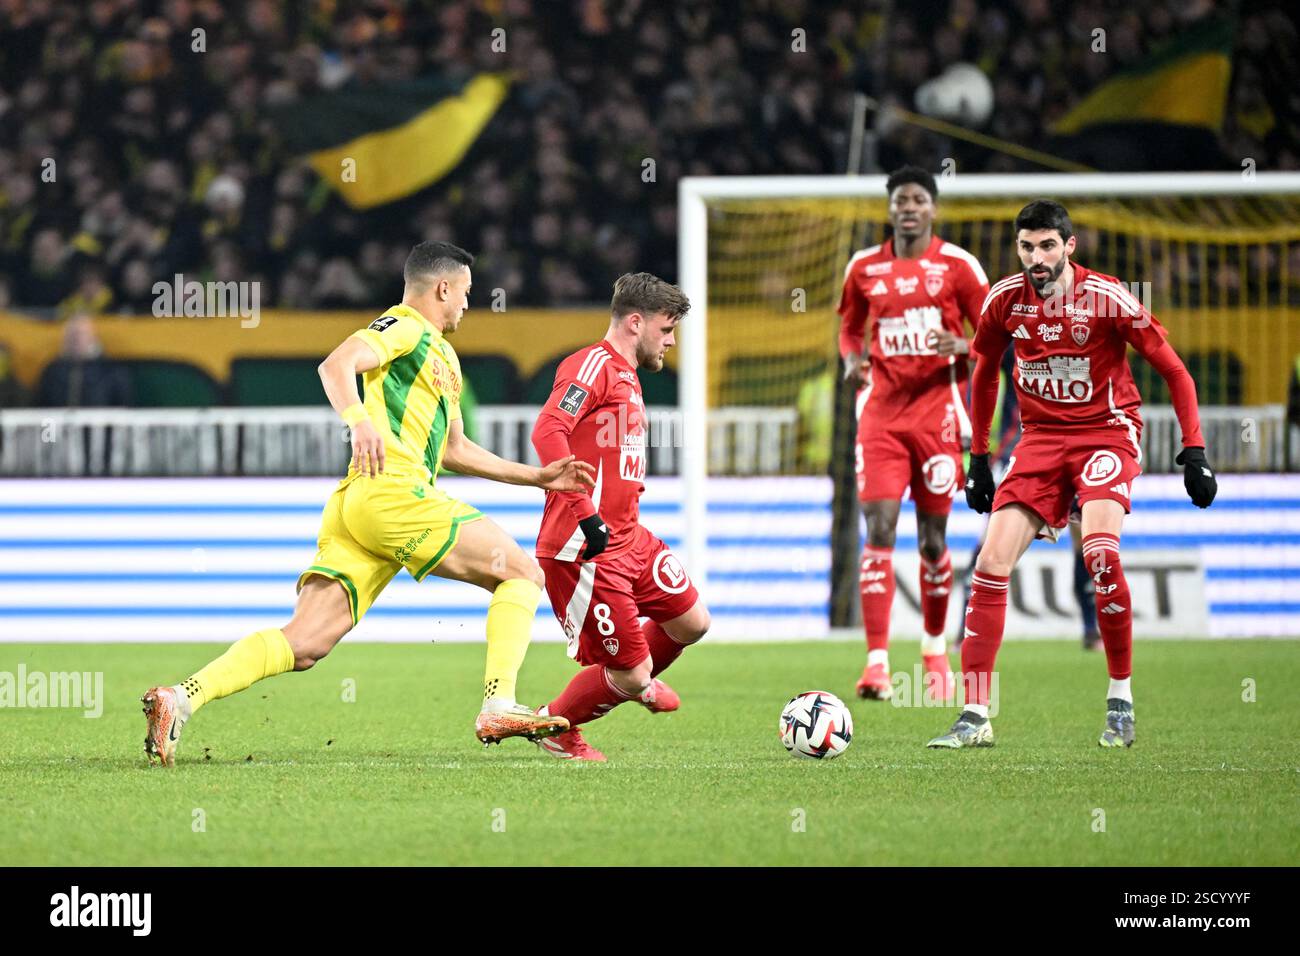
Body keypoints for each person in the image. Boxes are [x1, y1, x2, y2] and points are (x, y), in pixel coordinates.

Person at [140, 241, 595, 765]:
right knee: (520, 572)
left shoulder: (443, 355)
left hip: (361, 506)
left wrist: (537, 477)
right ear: (443, 288)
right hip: (392, 493)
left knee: (305, 643)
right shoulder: (404, 325)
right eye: (466, 292)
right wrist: (358, 422)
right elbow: (335, 366)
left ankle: (180, 699)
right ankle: (499, 703)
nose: (469, 303)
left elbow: (455, 450)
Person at [928, 200, 1217, 750]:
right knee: (989, 564)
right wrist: (979, 457)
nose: (1036, 258)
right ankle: (974, 715)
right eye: (1026, 247)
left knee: (1100, 554)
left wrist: (1194, 450)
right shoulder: (1004, 300)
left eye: (1046, 246)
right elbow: (985, 369)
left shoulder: (1106, 297)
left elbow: (1174, 369)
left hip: (1107, 433)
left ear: (1069, 246)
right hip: (1039, 444)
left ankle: (1120, 702)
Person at [529, 272, 711, 760]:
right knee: (630, 674)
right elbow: (548, 430)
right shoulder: (593, 365)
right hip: (584, 544)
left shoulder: (628, 376)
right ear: (636, 322)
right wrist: (587, 515)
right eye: (666, 330)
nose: (670, 342)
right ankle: (559, 725)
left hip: (629, 536)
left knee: (692, 622)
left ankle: (636, 677)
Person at [838, 165, 990, 703]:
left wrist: (966, 350)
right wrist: (853, 360)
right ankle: (876, 663)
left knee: (932, 540)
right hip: (880, 416)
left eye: (918, 199)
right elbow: (850, 329)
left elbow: (994, 332)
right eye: (900, 198)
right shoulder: (864, 268)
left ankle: (933, 651)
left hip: (939, 417)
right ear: (889, 209)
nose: (908, 206)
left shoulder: (957, 266)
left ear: (932, 208)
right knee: (878, 527)